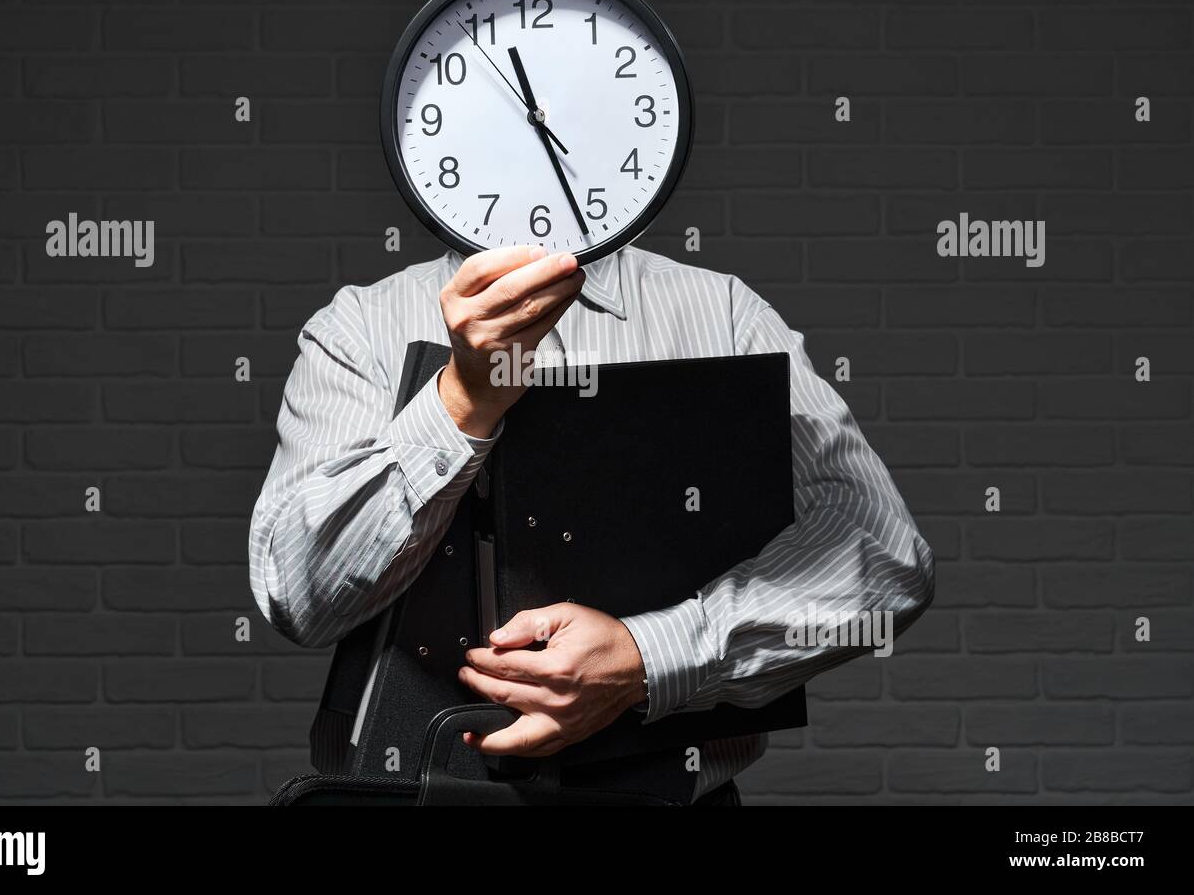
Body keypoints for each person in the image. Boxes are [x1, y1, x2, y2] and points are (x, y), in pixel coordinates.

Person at [249, 244, 935, 801]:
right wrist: (461, 401)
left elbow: (882, 555)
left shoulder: (722, 312)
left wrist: (649, 657)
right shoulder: (361, 326)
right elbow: (302, 597)